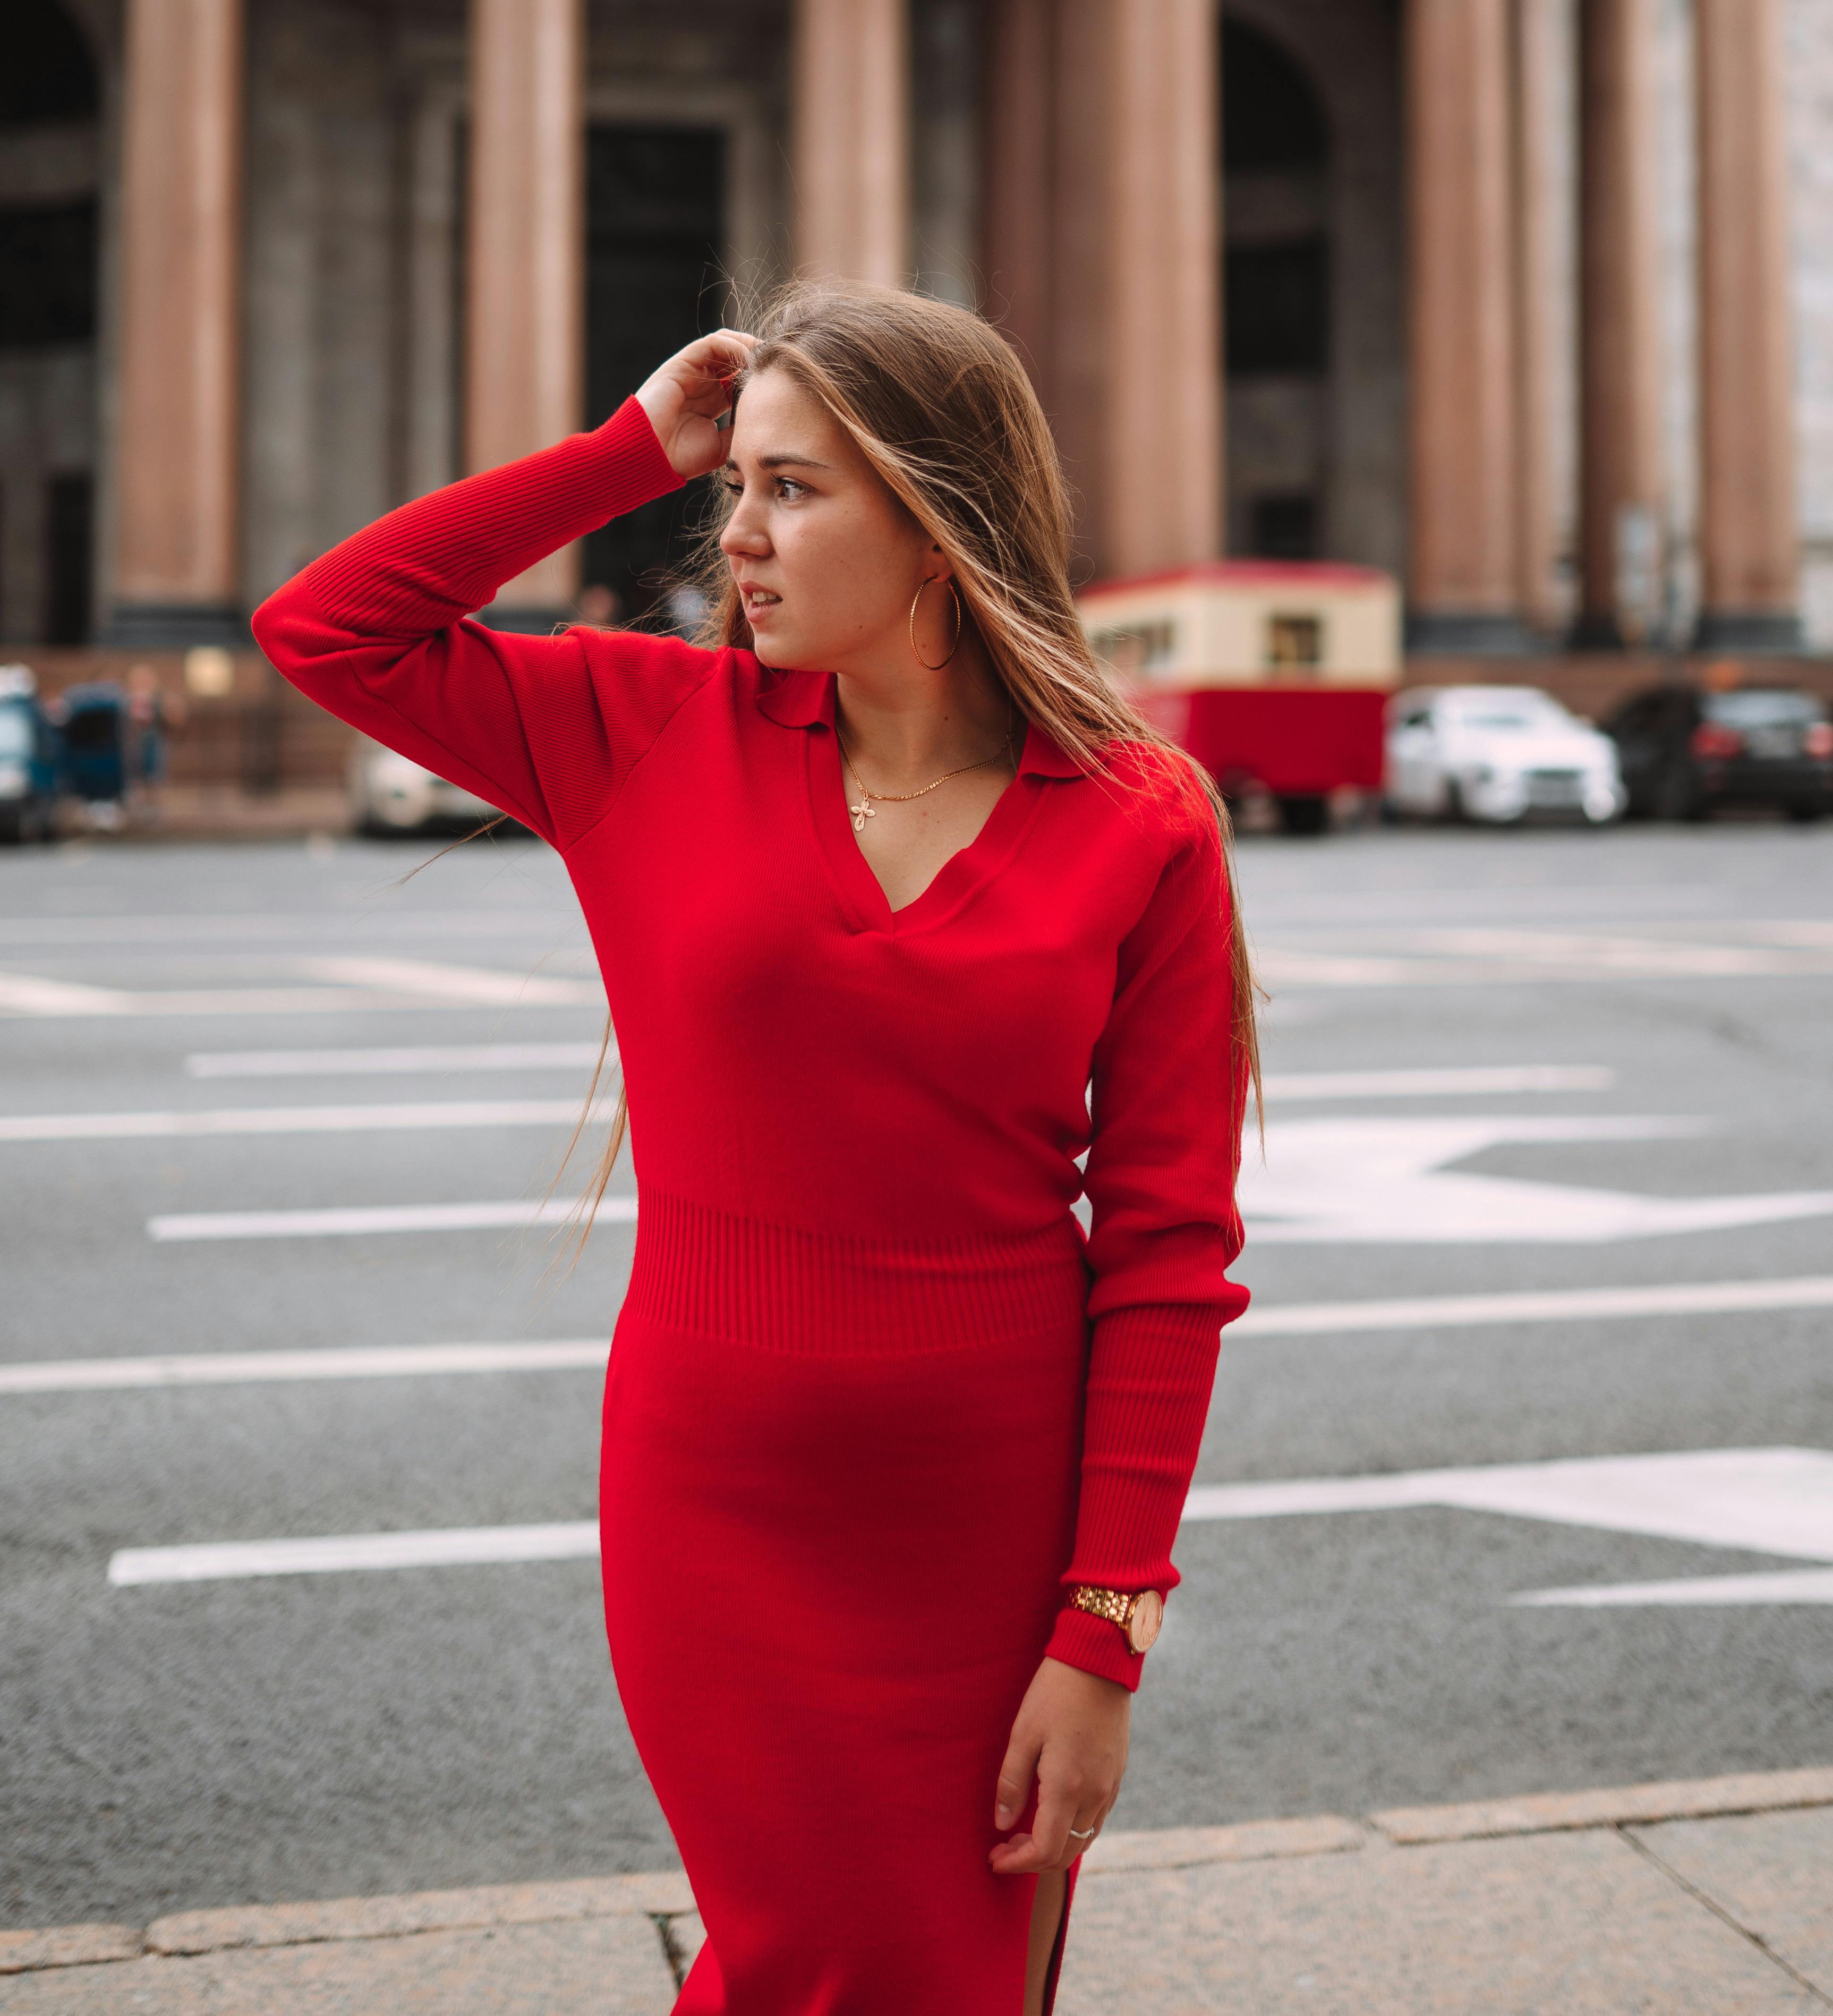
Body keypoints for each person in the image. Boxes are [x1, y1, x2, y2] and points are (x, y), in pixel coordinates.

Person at [252, 280, 1254, 2016]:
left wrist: (1105, 1634)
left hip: (995, 1527)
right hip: (718, 1509)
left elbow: (1167, 1252)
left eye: (792, 488)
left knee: (955, 1978)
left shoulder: (1137, 816)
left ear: (936, 519)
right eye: (736, 483)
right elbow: (329, 630)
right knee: (806, 1959)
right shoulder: (643, 730)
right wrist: (618, 452)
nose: (736, 534)